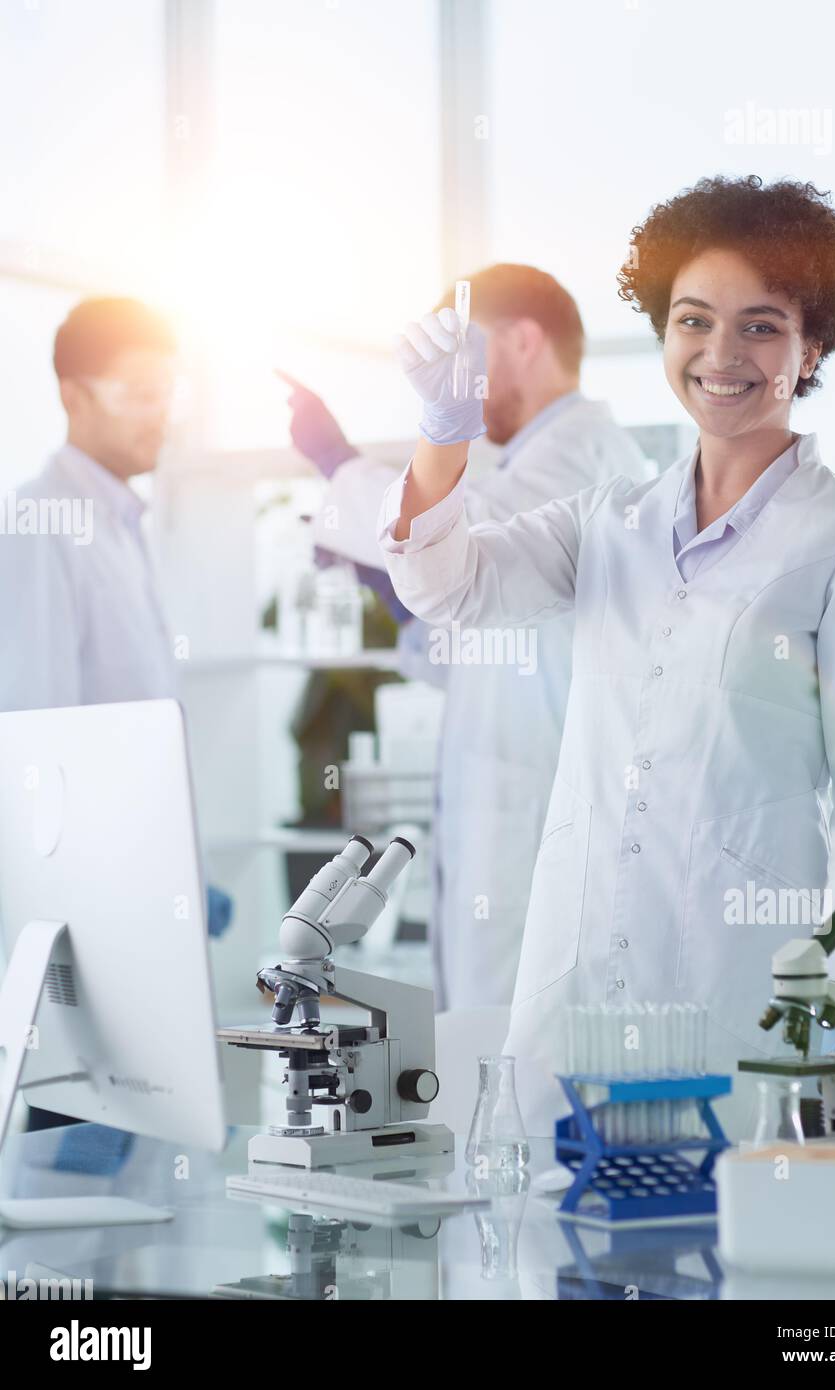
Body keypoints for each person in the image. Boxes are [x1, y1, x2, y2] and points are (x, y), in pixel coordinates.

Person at [377, 177, 835, 1139]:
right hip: (576, 984)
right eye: (692, 320)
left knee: (736, 1253)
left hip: (744, 988)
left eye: (760, 327)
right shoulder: (609, 520)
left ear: (814, 348)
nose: (721, 355)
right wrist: (442, 437)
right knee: (556, 1236)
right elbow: (448, 585)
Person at [285, 265, 655, 1009]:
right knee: (490, 1047)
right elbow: (494, 635)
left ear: (521, 340)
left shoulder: (580, 454)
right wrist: (397, 594)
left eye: (464, 354)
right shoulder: (540, 459)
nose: (450, 382)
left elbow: (474, 532)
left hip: (539, 816)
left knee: (522, 1061)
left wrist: (337, 464)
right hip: (512, 805)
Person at [0, 297, 232, 1130]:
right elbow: (41, 741)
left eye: (166, 388)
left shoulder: (123, 524)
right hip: (87, 922)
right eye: (136, 390)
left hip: (139, 900)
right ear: (72, 394)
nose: (159, 410)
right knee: (79, 1171)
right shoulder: (42, 521)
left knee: (144, 1167)